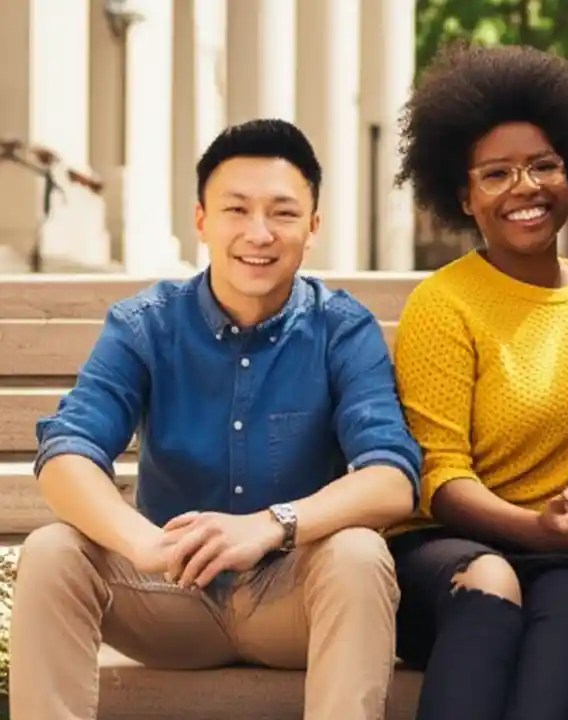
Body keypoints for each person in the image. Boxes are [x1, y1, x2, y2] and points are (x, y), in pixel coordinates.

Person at [10, 118, 423, 720]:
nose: (258, 233)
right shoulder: (145, 323)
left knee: (359, 554)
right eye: (236, 209)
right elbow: (67, 452)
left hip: (292, 603)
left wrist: (270, 525)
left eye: (282, 213)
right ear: (201, 220)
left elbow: (392, 477)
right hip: (168, 595)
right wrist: (144, 545)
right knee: (52, 551)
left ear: (313, 226)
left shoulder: (342, 328)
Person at [389, 43, 568, 720]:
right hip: (450, 558)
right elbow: (439, 479)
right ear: (463, 195)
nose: (525, 188)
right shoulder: (445, 304)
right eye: (496, 174)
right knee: (495, 586)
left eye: (543, 166)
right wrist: (535, 528)